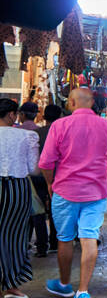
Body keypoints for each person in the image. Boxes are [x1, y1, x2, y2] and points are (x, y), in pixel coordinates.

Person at [37, 86, 107, 298]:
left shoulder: (60, 125)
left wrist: (50, 184)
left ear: (71, 103)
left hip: (65, 191)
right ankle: (83, 292)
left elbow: (45, 163)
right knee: (89, 237)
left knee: (65, 239)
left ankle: (64, 284)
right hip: (96, 192)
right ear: (92, 103)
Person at [0, 99, 40, 298]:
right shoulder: (27, 136)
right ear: (11, 115)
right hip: (16, 189)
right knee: (13, 236)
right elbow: (34, 168)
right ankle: (10, 284)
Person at [17, 102, 53, 257]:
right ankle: (42, 246)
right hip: (40, 175)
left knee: (23, 212)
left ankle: (24, 242)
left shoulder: (16, 131)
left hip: (23, 177)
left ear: (21, 115)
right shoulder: (39, 132)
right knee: (38, 212)